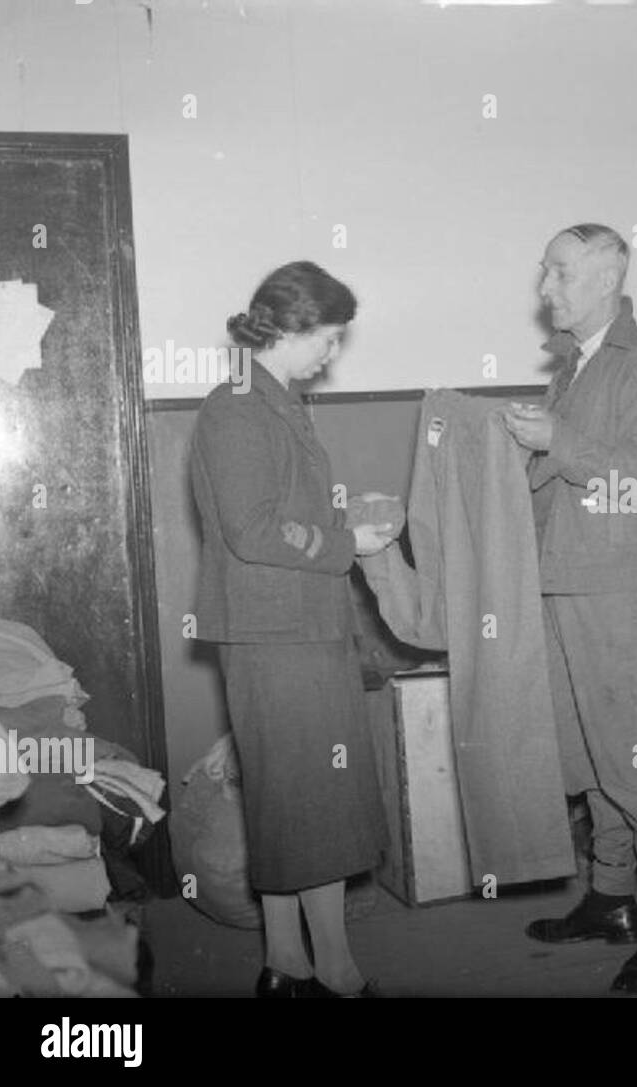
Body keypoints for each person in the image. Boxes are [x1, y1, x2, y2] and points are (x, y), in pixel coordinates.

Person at [503, 224, 637, 994]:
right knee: (590, 756)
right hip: (572, 580)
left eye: (558, 272)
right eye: (546, 271)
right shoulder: (581, 370)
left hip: (620, 588)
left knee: (631, 759)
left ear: (607, 276)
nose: (545, 288)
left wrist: (561, 437)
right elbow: (569, 471)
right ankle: (612, 895)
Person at [189, 261, 396, 998]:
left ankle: (288, 966)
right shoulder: (239, 408)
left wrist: (344, 521)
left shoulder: (269, 401)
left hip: (296, 626)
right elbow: (251, 531)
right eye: (330, 338)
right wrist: (348, 545)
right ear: (294, 327)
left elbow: (281, 518)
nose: (333, 355)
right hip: (277, 635)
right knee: (312, 801)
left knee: (294, 801)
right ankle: (333, 970)